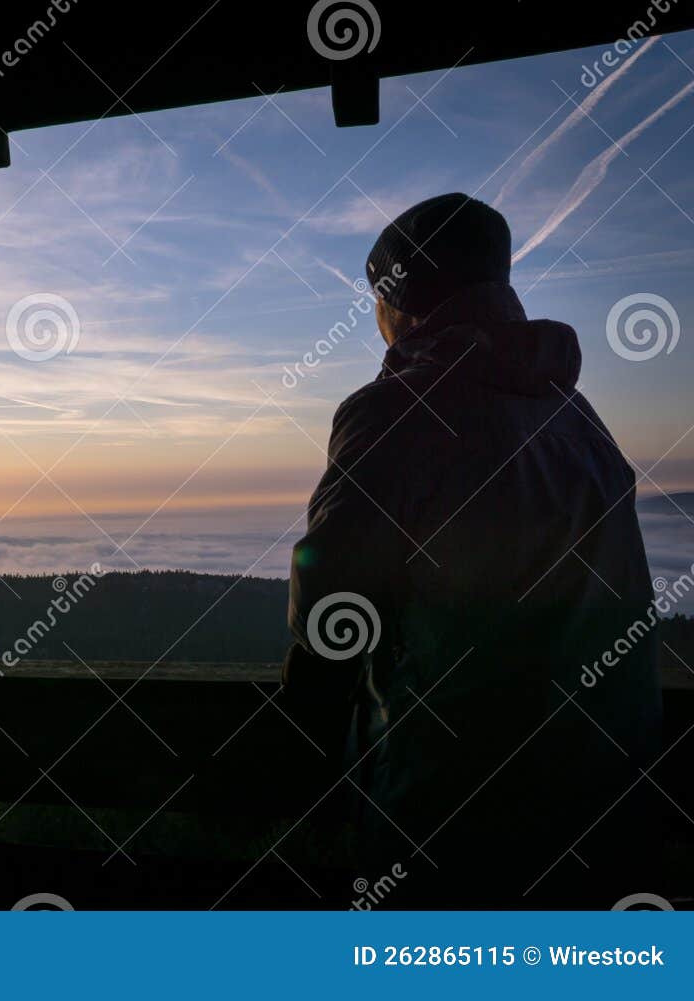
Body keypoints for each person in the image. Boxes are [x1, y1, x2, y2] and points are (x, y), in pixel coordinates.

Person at [284, 192, 662, 907]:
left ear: (398, 302)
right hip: (608, 807)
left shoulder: (394, 412)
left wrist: (306, 759)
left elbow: (331, 604)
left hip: (453, 826)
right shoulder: (578, 418)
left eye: (377, 299)